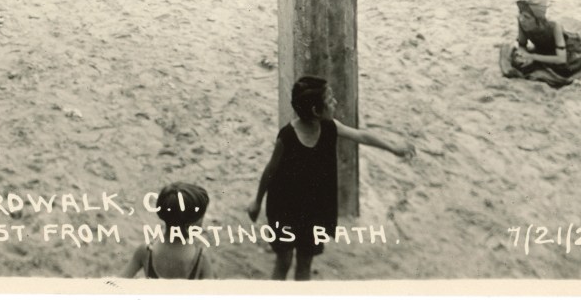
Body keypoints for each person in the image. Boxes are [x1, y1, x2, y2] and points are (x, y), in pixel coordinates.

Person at [248, 76, 414, 282]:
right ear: (317, 111)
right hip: (284, 208)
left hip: (314, 209)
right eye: (330, 100)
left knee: (305, 262)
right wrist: (257, 201)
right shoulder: (287, 136)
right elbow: (270, 170)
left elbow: (362, 136)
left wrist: (394, 148)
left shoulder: (330, 128)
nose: (335, 102)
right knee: (284, 261)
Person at [122, 184, 216, 279]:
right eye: (201, 219)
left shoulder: (146, 251)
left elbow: (116, 284)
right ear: (190, 225)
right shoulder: (200, 259)